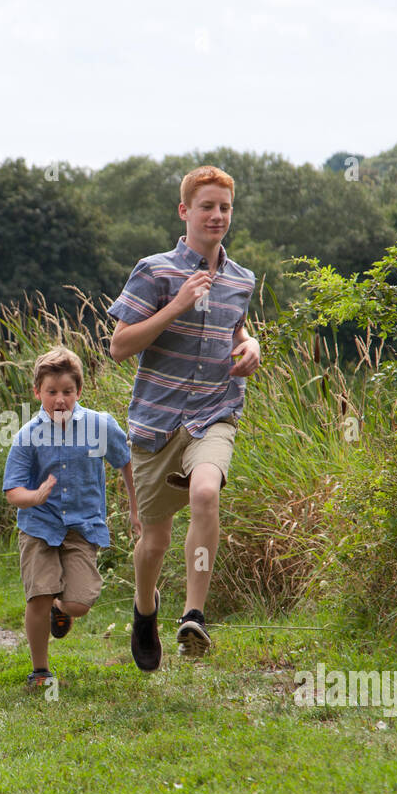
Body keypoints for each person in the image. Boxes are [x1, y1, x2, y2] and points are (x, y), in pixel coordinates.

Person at [106, 165, 262, 671]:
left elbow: (235, 330)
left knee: (205, 492)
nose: (217, 216)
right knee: (154, 539)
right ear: (185, 212)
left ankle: (193, 614)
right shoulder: (154, 271)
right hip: (156, 422)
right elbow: (118, 347)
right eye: (207, 207)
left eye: (225, 207)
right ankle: (145, 609)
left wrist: (249, 344)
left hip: (215, 412)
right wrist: (176, 305)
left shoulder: (241, 279)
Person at [2, 347, 139, 688]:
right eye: (52, 392)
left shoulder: (99, 425)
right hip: (39, 526)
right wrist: (34, 496)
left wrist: (137, 510)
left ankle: (60, 608)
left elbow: (127, 461)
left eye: (67, 391)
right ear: (38, 393)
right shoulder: (27, 436)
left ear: (79, 391)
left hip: (82, 526)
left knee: (79, 603)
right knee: (39, 595)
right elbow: (12, 491)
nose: (60, 400)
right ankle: (40, 670)